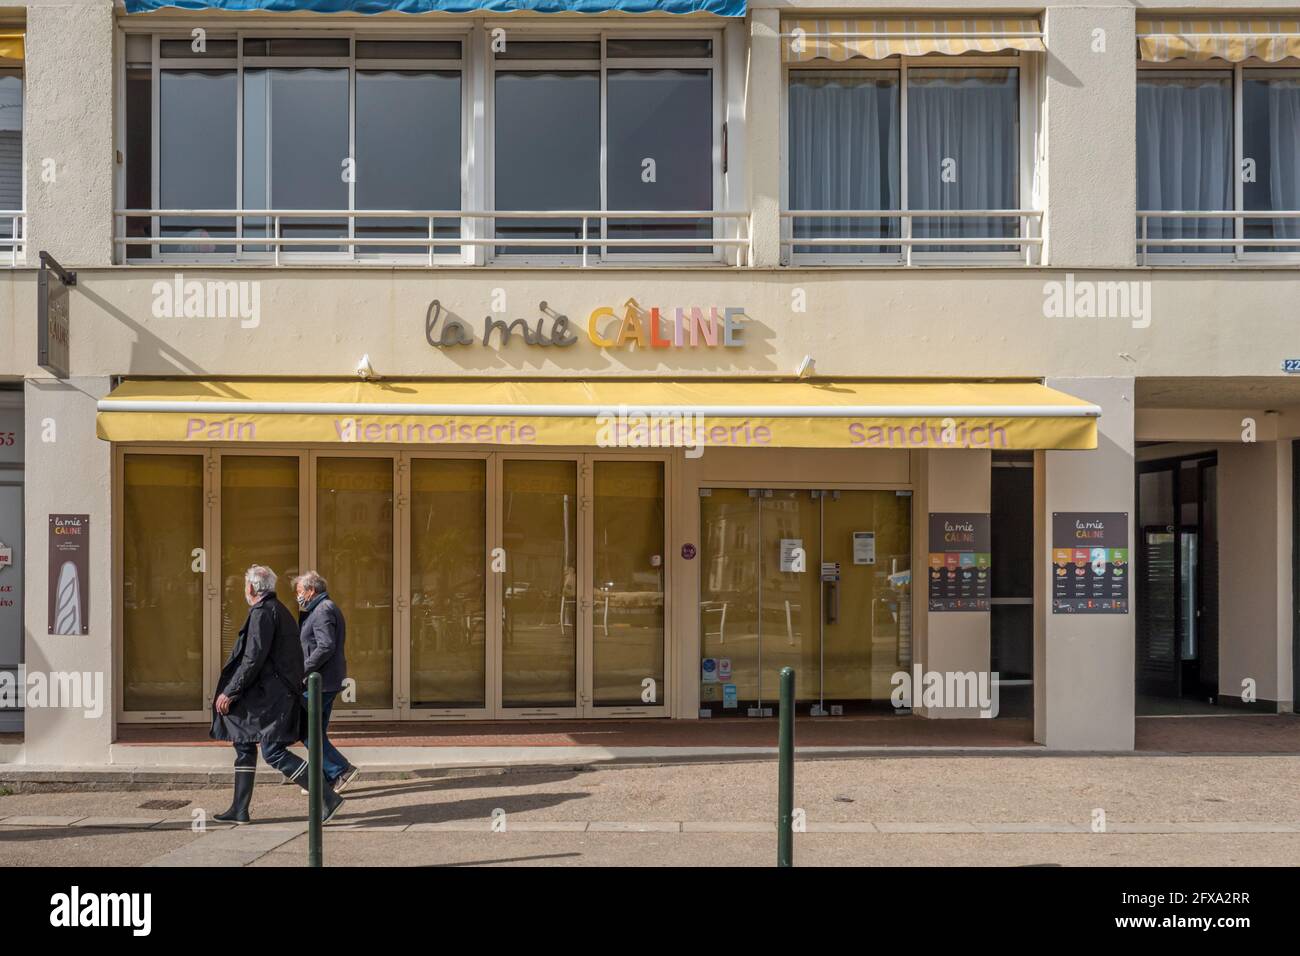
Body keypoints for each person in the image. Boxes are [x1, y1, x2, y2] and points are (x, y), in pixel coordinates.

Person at [210, 565, 344, 824]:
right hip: (272, 695)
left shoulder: (263, 613)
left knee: (272, 751)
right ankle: (239, 809)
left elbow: (253, 658)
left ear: (250, 588)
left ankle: (327, 797)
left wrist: (230, 691)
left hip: (272, 698)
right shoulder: (277, 610)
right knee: (244, 743)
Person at [290, 571, 359, 793]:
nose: (297, 596)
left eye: (299, 591)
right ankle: (327, 776)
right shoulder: (319, 609)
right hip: (324, 680)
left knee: (308, 730)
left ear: (311, 590)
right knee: (315, 730)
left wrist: (303, 668)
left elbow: (326, 646)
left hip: (320, 681)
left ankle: (341, 769)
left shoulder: (322, 610)